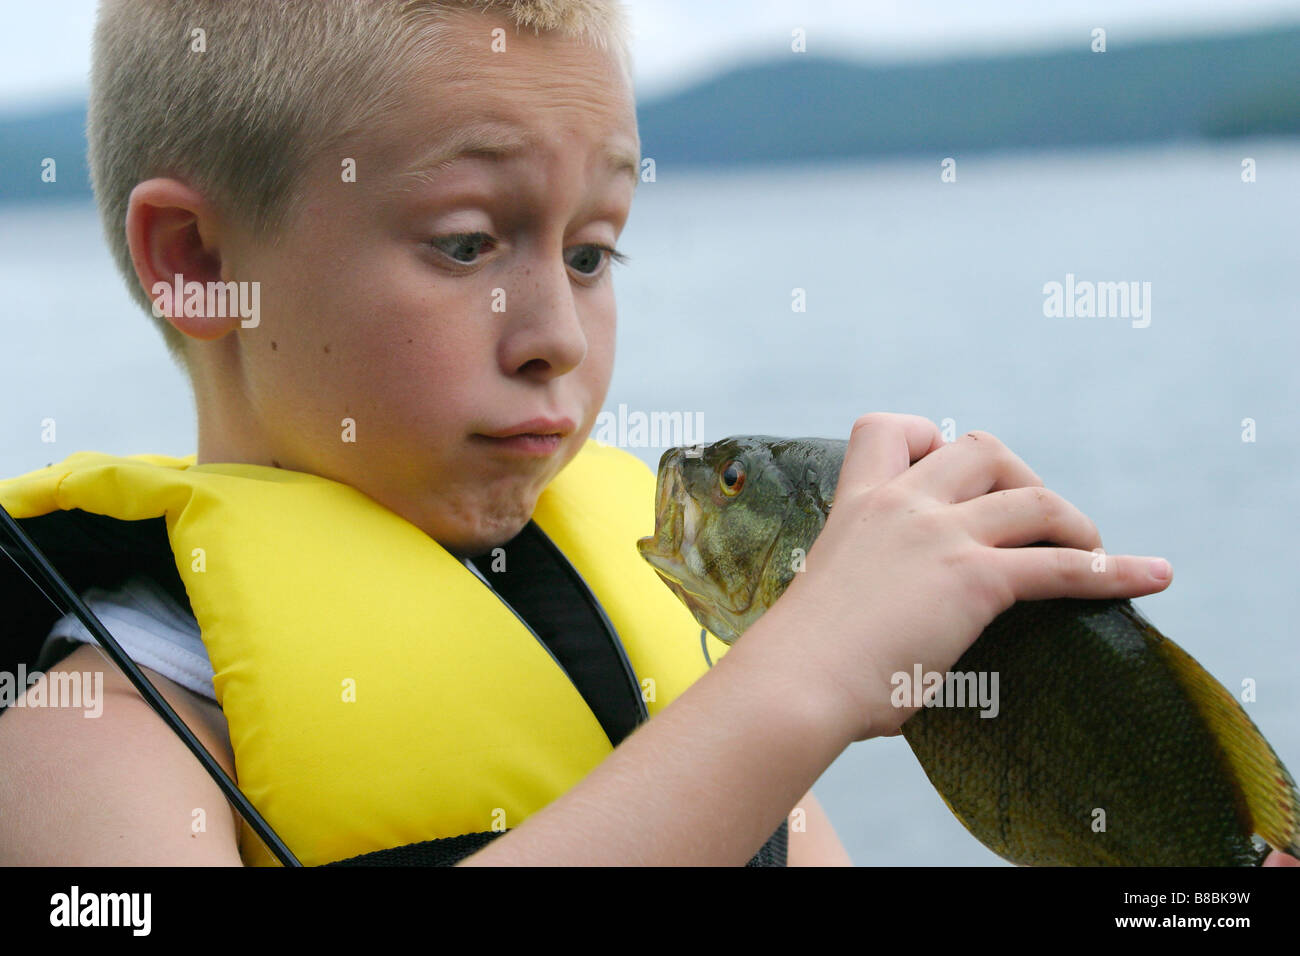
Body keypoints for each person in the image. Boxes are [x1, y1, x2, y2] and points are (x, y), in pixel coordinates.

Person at [2, 0, 1282, 867]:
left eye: (594, 248)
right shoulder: (90, 736)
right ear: (201, 260)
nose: (557, 329)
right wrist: (798, 681)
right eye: (464, 241)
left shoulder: (668, 645)